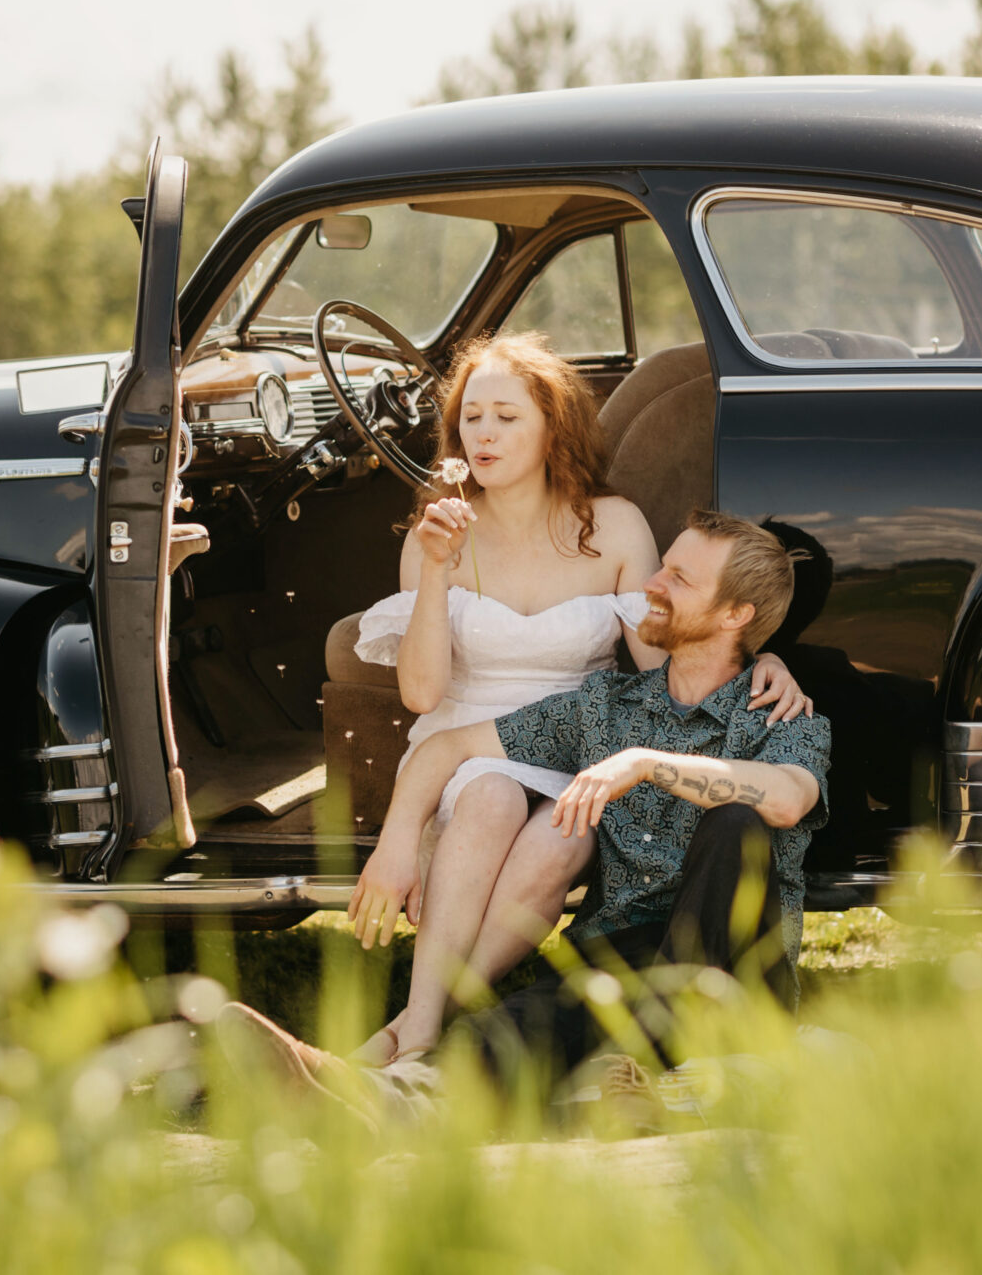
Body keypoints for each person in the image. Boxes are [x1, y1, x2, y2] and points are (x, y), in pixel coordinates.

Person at [222, 510, 832, 1118]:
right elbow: (446, 747)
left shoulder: (780, 717)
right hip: (621, 958)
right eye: (663, 566)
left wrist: (646, 763)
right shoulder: (606, 709)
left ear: (735, 616)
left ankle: (663, 1053)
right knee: (516, 1029)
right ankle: (361, 1097)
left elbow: (787, 797)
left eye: (679, 577)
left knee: (737, 821)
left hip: (738, 977)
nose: (652, 583)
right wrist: (399, 843)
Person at [347, 334, 808, 1065]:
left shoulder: (614, 524)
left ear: (551, 427)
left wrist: (764, 654)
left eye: (505, 417)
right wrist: (434, 569)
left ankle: (419, 1026)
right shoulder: (439, 531)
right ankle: (424, 1027)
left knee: (566, 830)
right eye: (471, 418)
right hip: (466, 740)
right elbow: (423, 693)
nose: (485, 433)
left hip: (578, 744)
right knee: (493, 794)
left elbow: (671, 655)